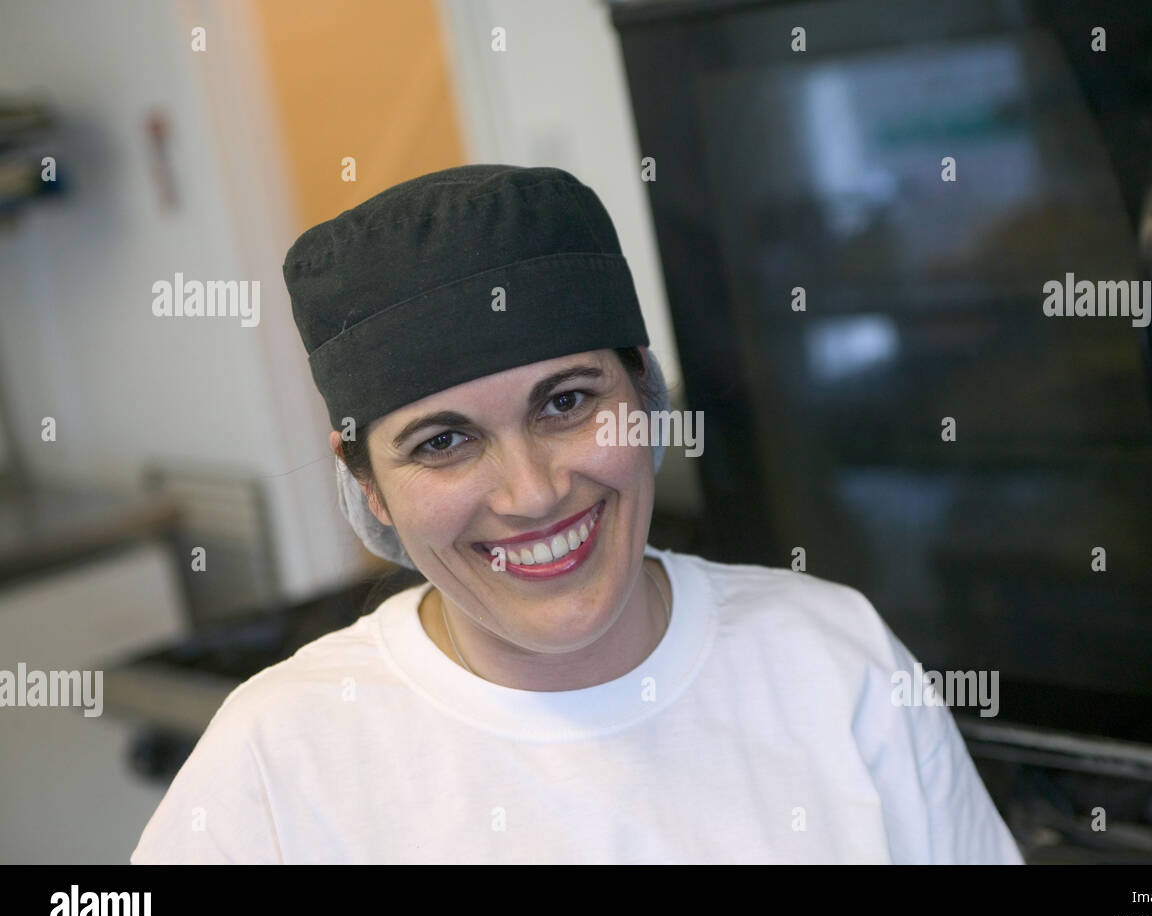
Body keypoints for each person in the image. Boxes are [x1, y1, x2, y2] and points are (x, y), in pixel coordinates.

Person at [130, 164, 1023, 864]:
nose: (532, 493)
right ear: (368, 487)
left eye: (564, 402)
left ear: (646, 389)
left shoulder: (832, 660)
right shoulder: (281, 755)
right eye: (442, 441)